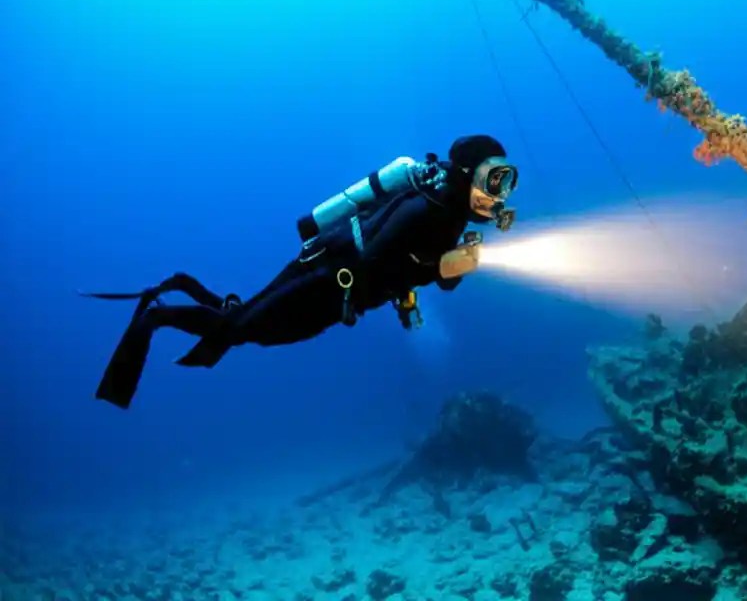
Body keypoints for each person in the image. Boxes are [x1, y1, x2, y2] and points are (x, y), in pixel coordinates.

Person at [86, 134, 518, 410]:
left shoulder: (448, 214)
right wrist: (442, 265)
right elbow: (377, 259)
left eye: (506, 181)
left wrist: (453, 265)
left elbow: (427, 273)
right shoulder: (429, 208)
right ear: (466, 176)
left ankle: (182, 290)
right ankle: (157, 317)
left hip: (327, 276)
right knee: (243, 331)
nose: (498, 194)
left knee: (245, 326)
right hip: (327, 282)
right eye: (493, 180)